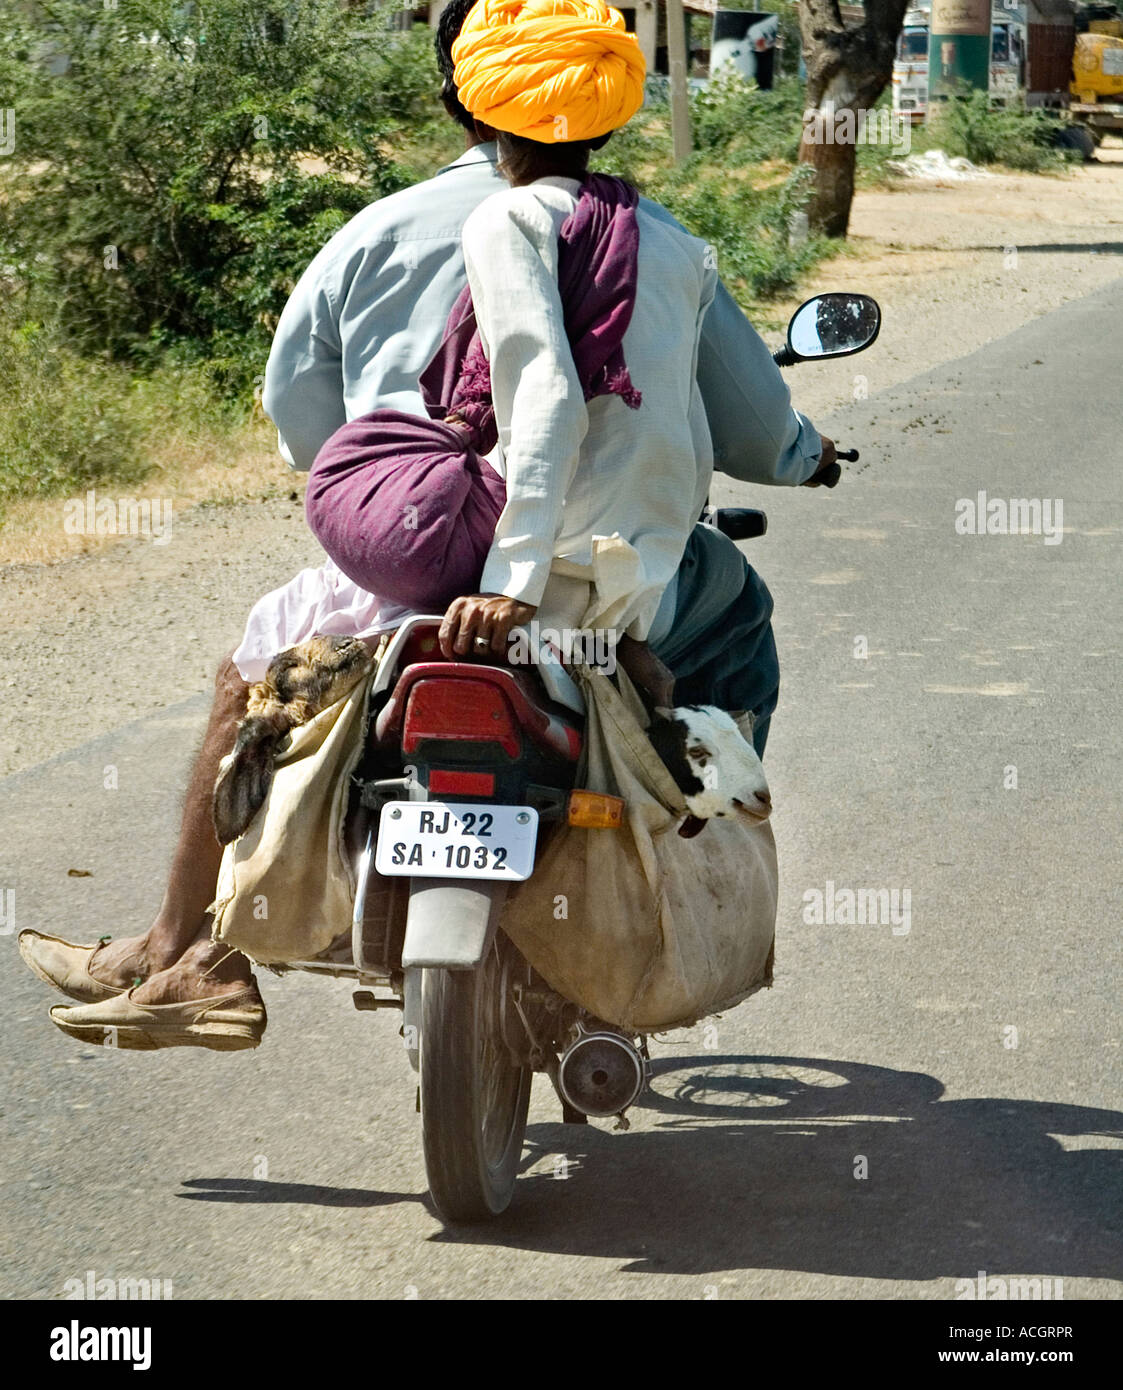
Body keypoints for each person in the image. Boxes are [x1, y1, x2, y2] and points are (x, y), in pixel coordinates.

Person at [21, 0, 835, 1049]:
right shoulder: (666, 240)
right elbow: (743, 427)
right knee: (736, 618)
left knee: (256, 666)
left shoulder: (442, 225)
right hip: (612, 582)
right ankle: (678, 852)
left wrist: (417, 513)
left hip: (468, 561)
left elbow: (354, 415)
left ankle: (193, 946)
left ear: (462, 96)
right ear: (609, 104)